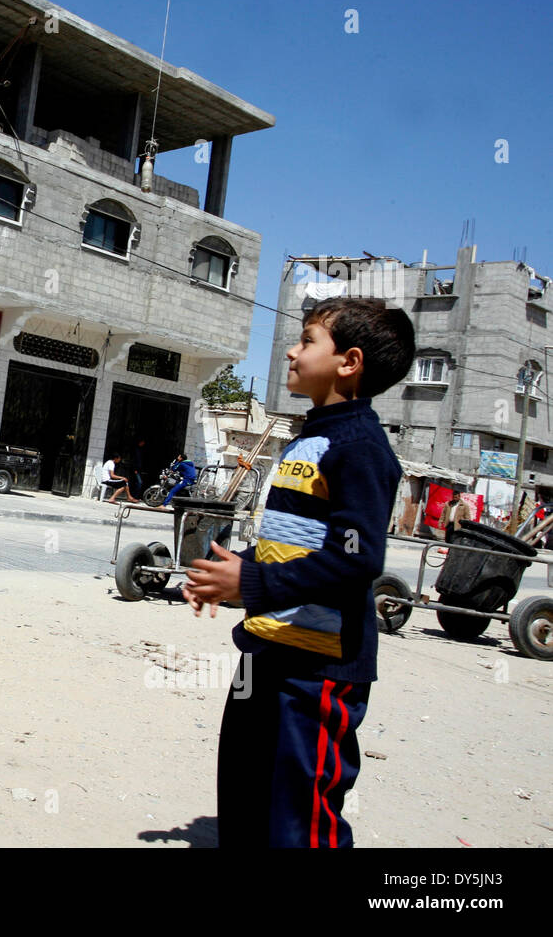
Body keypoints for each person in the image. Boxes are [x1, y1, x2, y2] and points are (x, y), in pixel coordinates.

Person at [182, 297, 414, 847]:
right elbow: (295, 544)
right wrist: (239, 574)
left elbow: (356, 559)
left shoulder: (359, 448)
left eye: (308, 340)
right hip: (264, 652)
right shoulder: (309, 437)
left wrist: (253, 584)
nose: (291, 349)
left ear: (349, 362)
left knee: (301, 816)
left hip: (318, 671)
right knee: (244, 793)